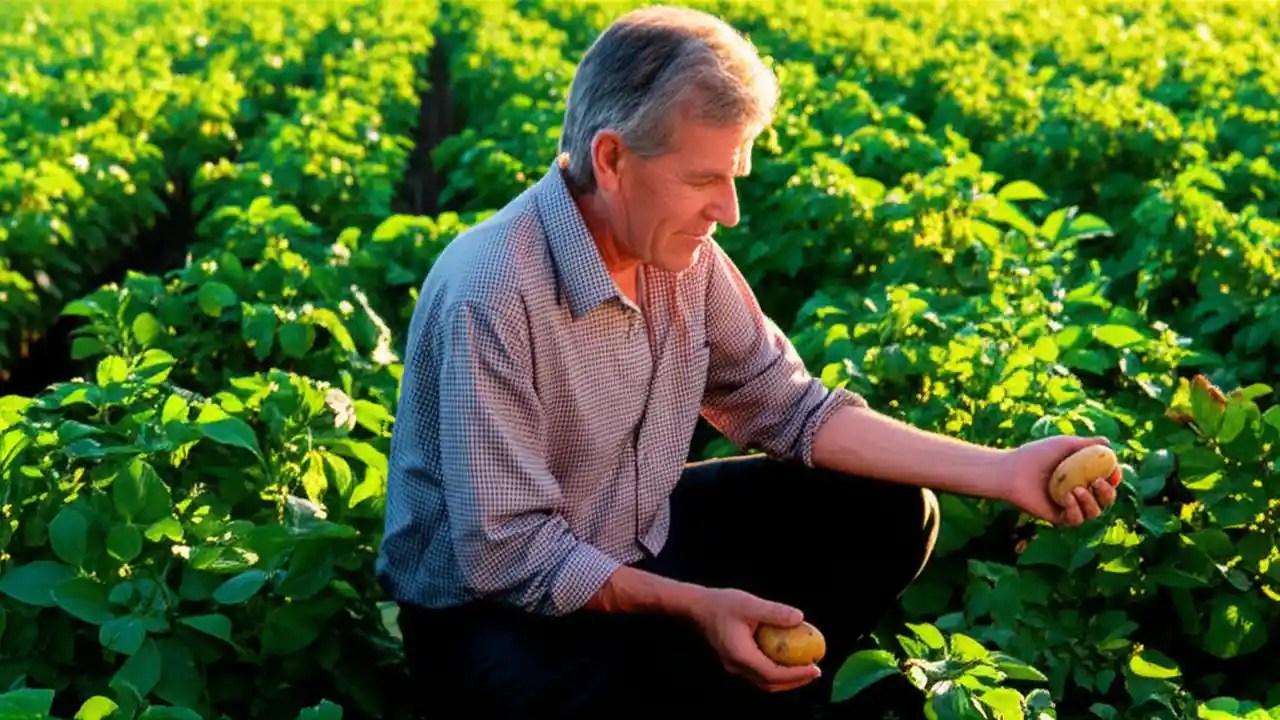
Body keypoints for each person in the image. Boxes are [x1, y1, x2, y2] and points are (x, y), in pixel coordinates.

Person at [375, 5, 1118, 718]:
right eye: (704, 180)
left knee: (891, 508)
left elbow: (790, 408)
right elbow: (510, 556)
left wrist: (1003, 469)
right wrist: (700, 608)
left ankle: (754, 681)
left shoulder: (679, 254)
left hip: (630, 538)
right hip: (488, 621)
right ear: (611, 158)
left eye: (735, 175)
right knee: (628, 686)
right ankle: (711, 673)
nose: (728, 210)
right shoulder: (493, 291)